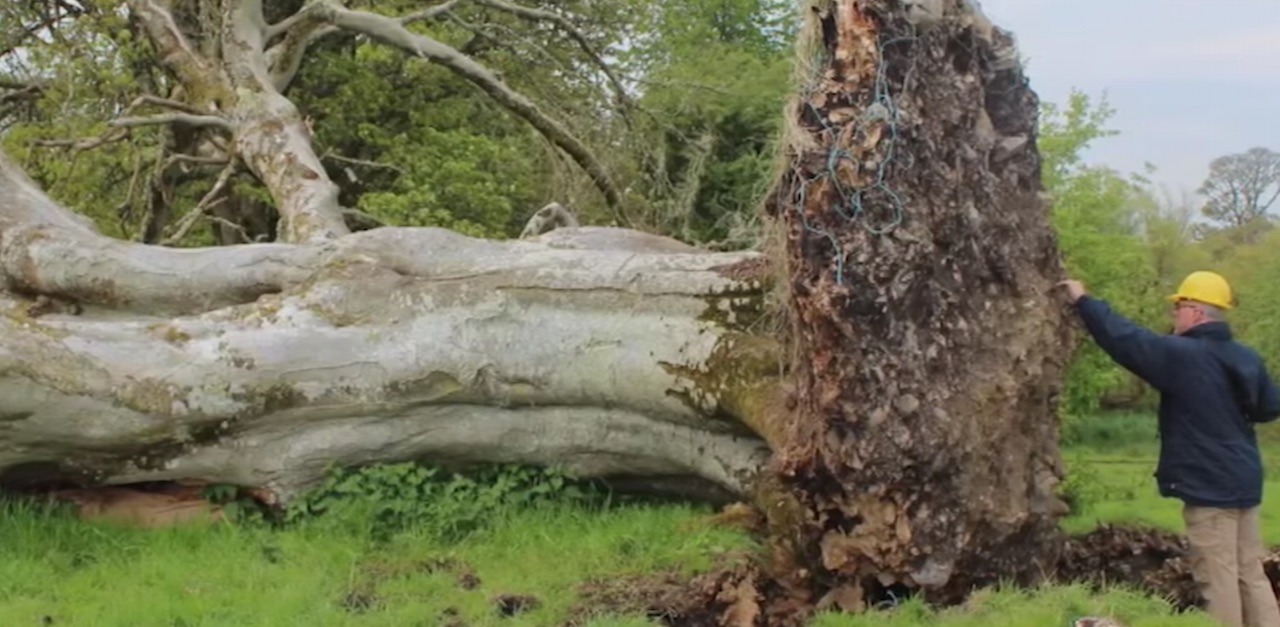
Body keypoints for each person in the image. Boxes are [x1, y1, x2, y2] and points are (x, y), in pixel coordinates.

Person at [1058, 271, 1280, 627]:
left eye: (1177, 307)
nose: (1173, 316)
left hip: (1211, 489)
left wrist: (1084, 301)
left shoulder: (1182, 354)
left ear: (1194, 311)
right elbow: (1269, 406)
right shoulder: (1246, 356)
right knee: (1249, 573)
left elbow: (1126, 339)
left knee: (1217, 578)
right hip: (1245, 479)